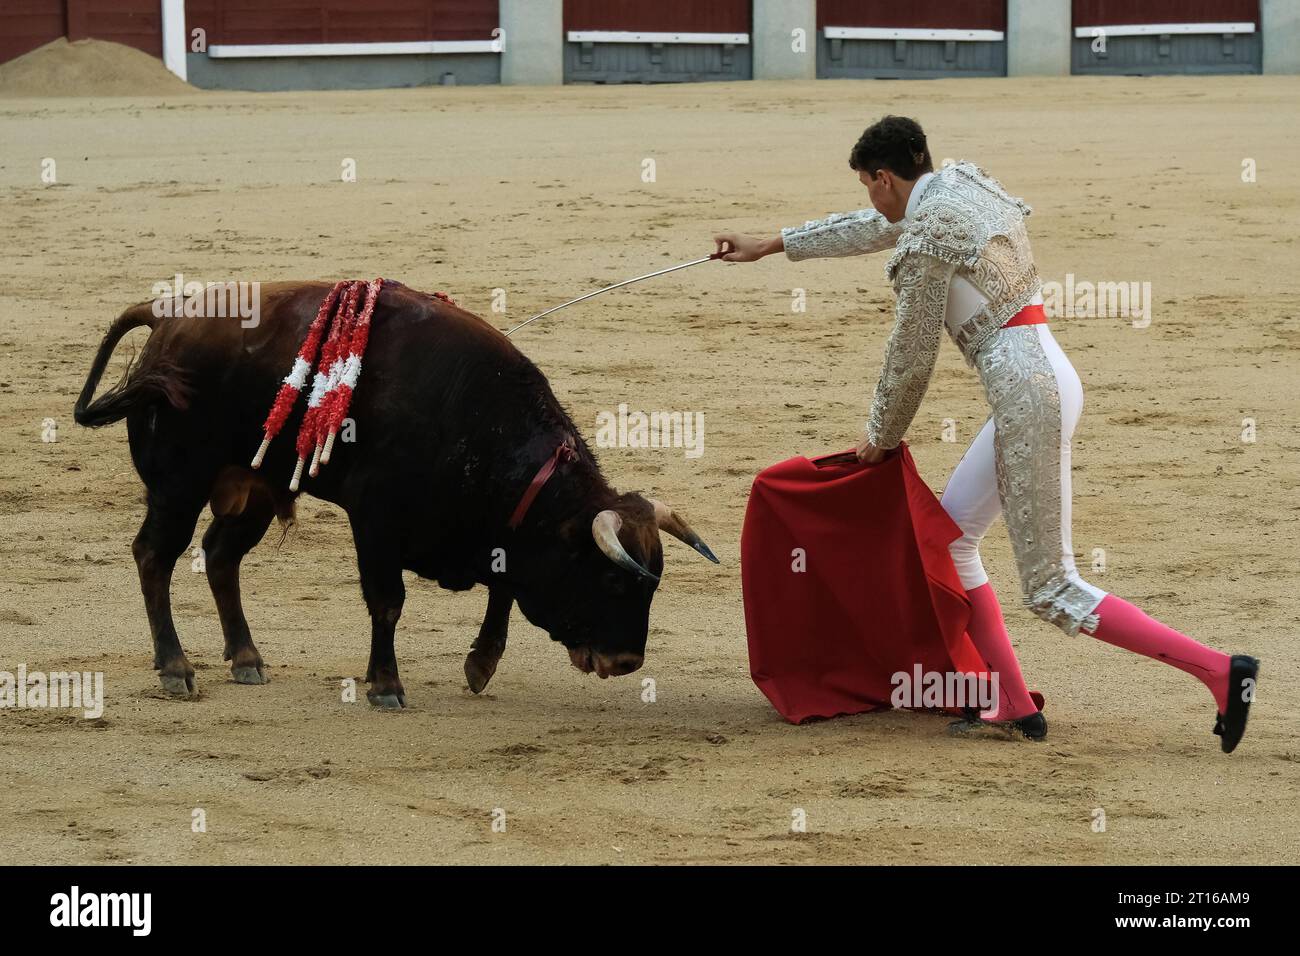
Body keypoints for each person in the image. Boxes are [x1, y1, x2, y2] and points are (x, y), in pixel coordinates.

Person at [713, 115, 1258, 751]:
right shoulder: (956, 188)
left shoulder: (927, 236)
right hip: (1045, 379)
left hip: (1029, 395)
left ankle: (1220, 671)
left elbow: (911, 354)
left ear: (883, 177)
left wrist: (881, 436)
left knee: (1052, 586)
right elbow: (879, 226)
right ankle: (1014, 703)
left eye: (868, 185)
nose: (872, 201)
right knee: (952, 541)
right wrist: (771, 244)